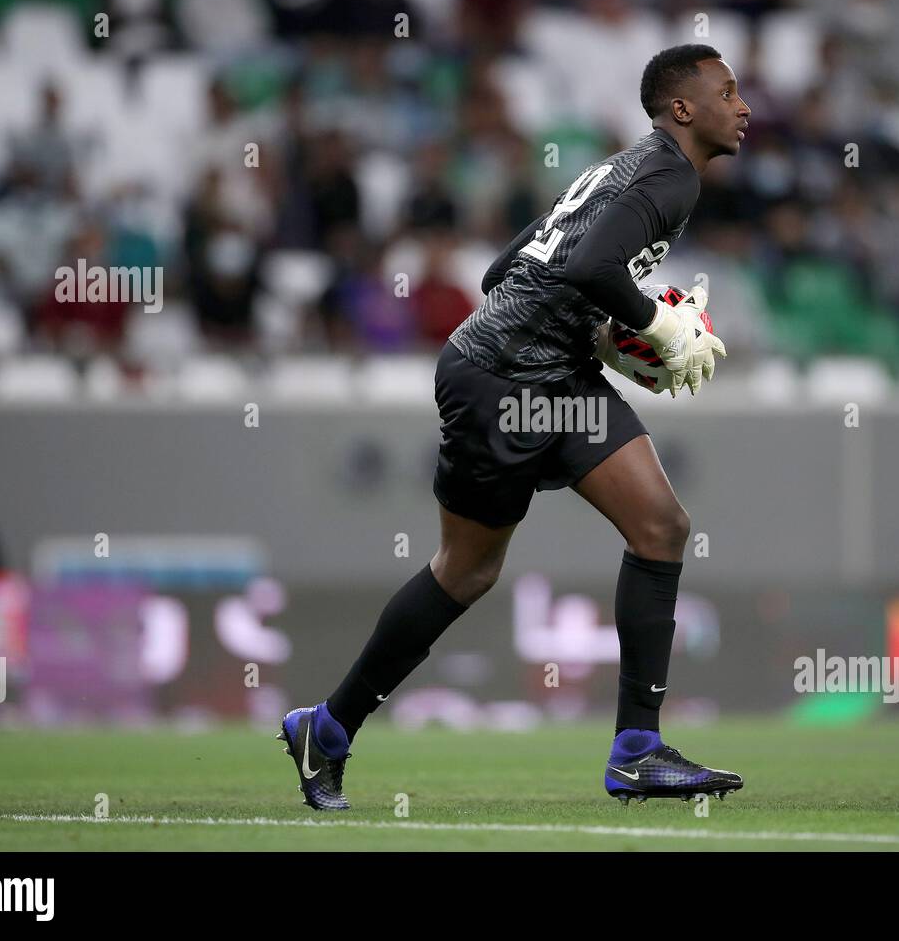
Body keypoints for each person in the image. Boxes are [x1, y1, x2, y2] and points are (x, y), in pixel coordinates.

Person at [279, 45, 747, 809]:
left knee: (660, 526)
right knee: (466, 571)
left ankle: (636, 750)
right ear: (682, 109)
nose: (745, 106)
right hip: (499, 380)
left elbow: (503, 271)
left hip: (548, 373)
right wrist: (652, 327)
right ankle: (328, 730)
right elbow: (594, 265)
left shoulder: (625, 167)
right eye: (727, 91)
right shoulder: (670, 175)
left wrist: (597, 335)